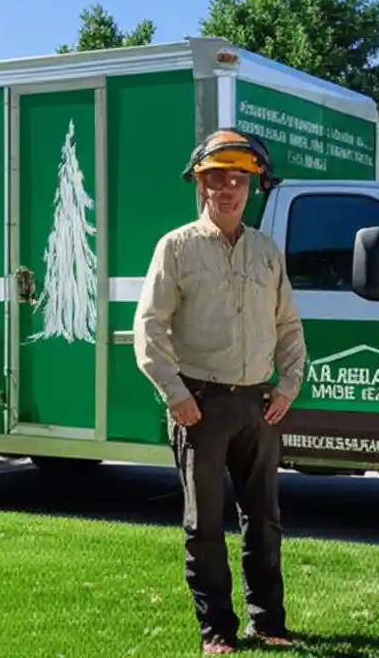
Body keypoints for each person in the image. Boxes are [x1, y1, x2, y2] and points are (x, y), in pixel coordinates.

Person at [133, 128, 307, 654]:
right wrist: (174, 393)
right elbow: (148, 326)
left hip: (258, 407)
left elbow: (289, 329)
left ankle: (268, 622)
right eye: (216, 181)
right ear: (201, 187)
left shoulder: (266, 252)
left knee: (265, 522)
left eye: (236, 180)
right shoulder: (177, 248)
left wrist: (288, 385)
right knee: (203, 526)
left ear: (250, 187)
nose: (226, 190)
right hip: (199, 407)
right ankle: (216, 632)